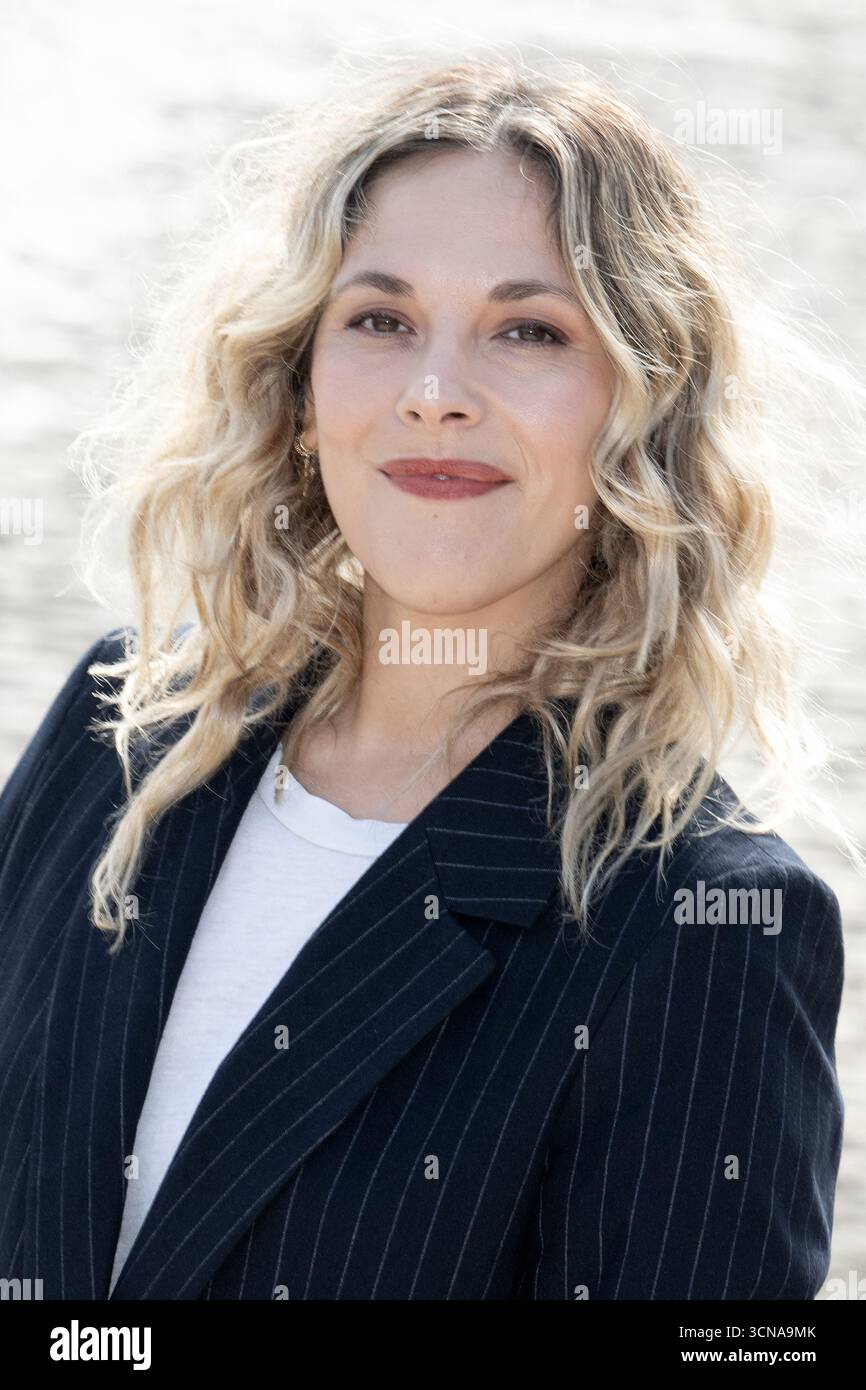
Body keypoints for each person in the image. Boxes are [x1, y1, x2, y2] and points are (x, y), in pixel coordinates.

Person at [0, 53, 852, 1300]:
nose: (434, 395)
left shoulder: (700, 928)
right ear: (298, 387)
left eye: (527, 330)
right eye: (380, 320)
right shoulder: (119, 728)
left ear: (639, 408)